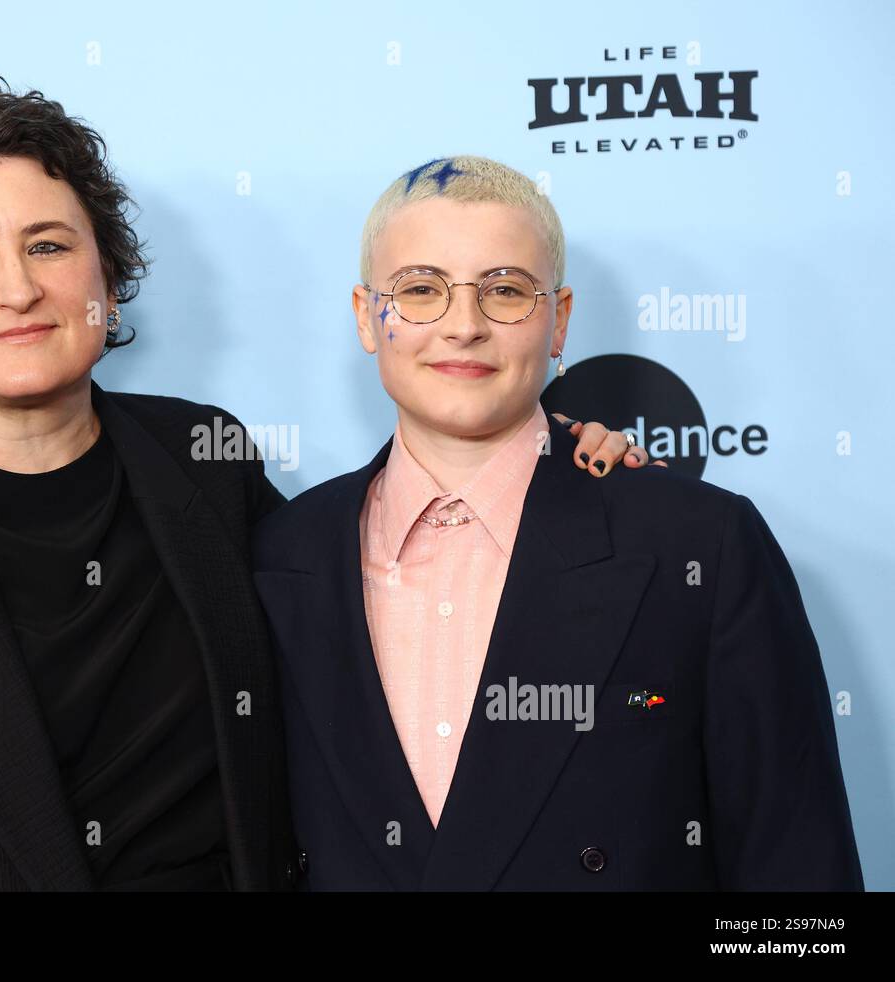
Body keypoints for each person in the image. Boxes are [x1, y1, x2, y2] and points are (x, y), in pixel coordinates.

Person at [0, 78, 653, 891]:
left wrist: (545, 456)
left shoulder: (205, 461)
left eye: (51, 245)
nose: (18, 288)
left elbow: (376, 597)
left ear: (108, 281)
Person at [251, 155, 864, 891]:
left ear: (560, 319)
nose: (464, 326)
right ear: (365, 317)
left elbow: (798, 886)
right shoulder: (282, 555)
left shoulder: (698, 545)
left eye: (505, 291)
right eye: (420, 291)